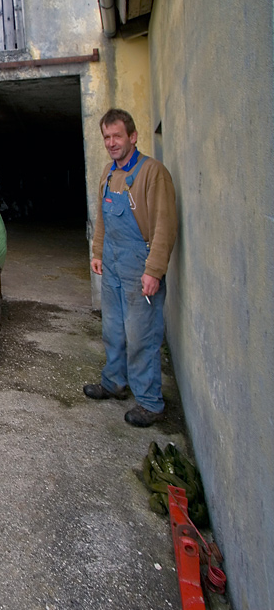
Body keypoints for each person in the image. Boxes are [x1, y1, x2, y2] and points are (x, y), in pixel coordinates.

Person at [84, 109, 177, 427]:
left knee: (142, 336)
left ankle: (150, 402)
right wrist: (97, 252)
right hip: (111, 265)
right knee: (113, 331)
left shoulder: (153, 173)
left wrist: (154, 270)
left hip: (140, 268)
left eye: (117, 136)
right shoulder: (108, 174)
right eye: (107, 137)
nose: (111, 143)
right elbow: (102, 219)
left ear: (133, 137)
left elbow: (165, 226)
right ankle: (114, 383)